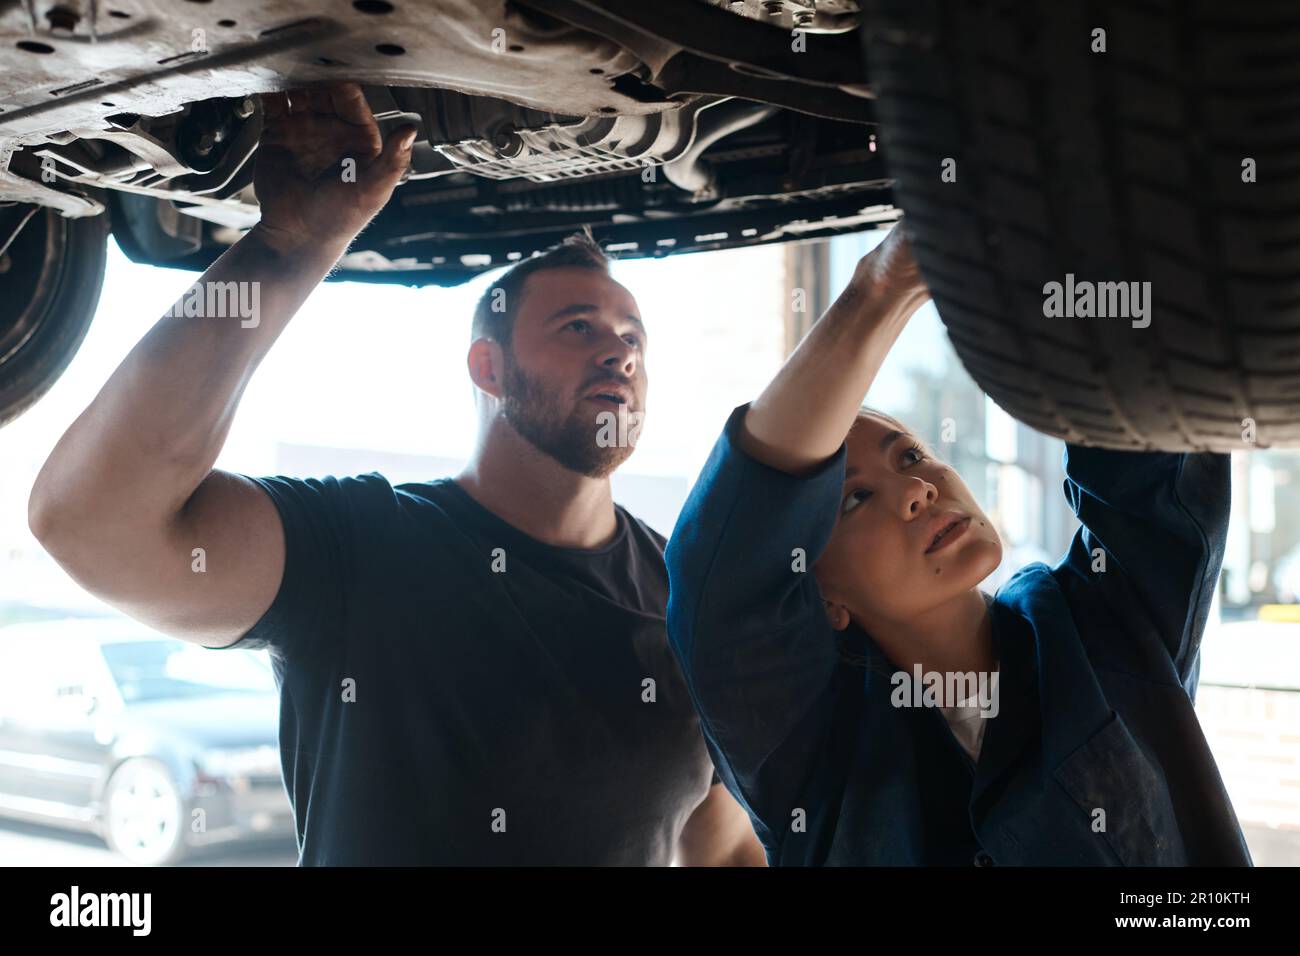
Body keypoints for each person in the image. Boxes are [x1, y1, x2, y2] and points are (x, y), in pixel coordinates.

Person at [28, 83, 763, 866]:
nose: (618, 352)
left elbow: (717, 849)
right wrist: (283, 251)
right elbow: (89, 518)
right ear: (489, 365)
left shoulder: (684, 593)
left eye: (631, 338)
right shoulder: (365, 547)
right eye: (577, 327)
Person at [664, 224, 1252, 866]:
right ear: (822, 593)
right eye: (855, 498)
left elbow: (1147, 455)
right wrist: (881, 288)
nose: (917, 487)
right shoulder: (811, 752)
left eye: (911, 455)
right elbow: (724, 575)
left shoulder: (1099, 627)